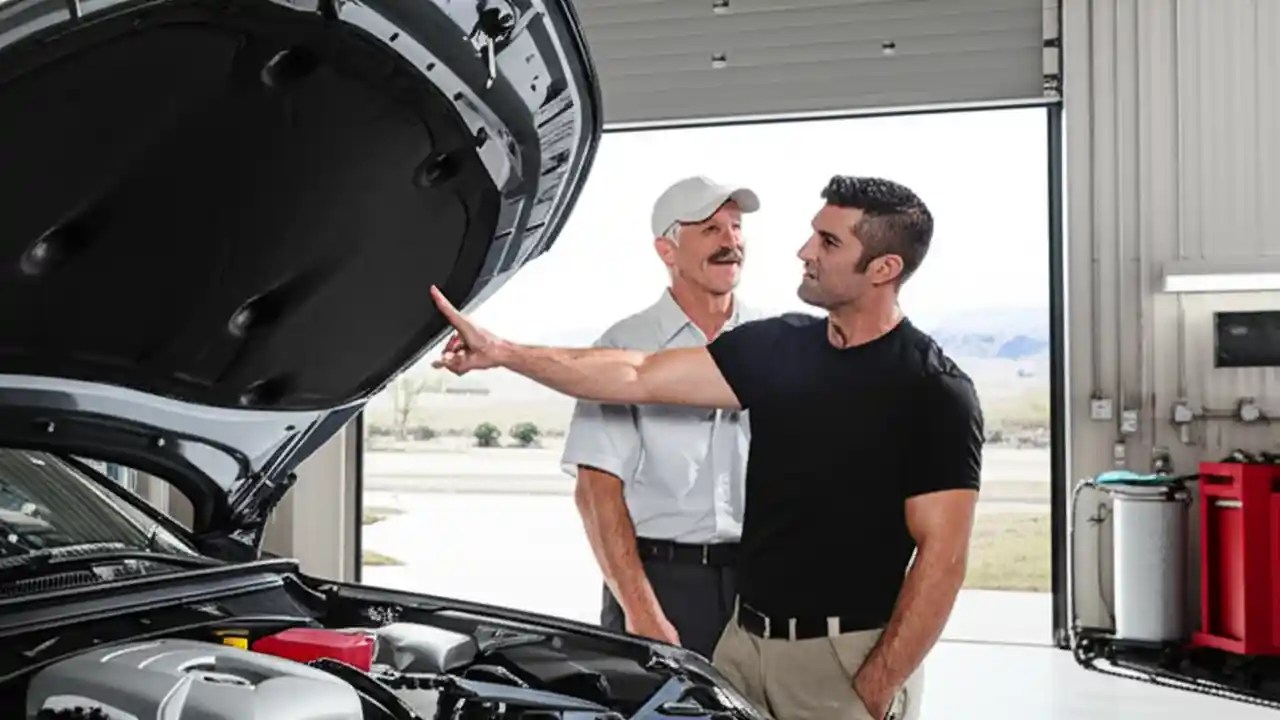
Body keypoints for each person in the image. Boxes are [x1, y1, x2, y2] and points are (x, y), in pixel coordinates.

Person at [429, 175, 983, 720]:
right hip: (743, 650)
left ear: (884, 269)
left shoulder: (933, 391)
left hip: (838, 662)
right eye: (813, 234)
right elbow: (637, 373)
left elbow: (942, 561)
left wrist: (877, 685)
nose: (804, 251)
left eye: (828, 242)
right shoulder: (782, 347)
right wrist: (502, 351)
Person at [560, 176, 766, 658]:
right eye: (710, 229)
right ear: (666, 250)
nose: (731, 242)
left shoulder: (773, 341)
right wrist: (641, 611)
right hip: (661, 583)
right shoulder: (622, 347)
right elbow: (596, 493)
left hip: (762, 583)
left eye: (736, 227)